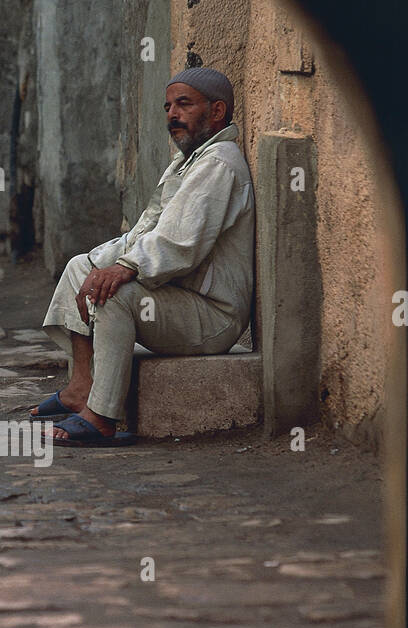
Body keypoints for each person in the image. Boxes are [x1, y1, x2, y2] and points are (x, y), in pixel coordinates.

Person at [30, 67, 255, 447]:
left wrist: (124, 269)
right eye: (168, 106)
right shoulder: (186, 162)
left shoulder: (220, 163)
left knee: (115, 293)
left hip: (213, 316)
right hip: (179, 297)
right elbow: (143, 231)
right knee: (78, 267)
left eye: (184, 104)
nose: (172, 114)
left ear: (217, 111)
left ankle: (101, 417)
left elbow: (180, 243)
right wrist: (100, 262)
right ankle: (80, 388)